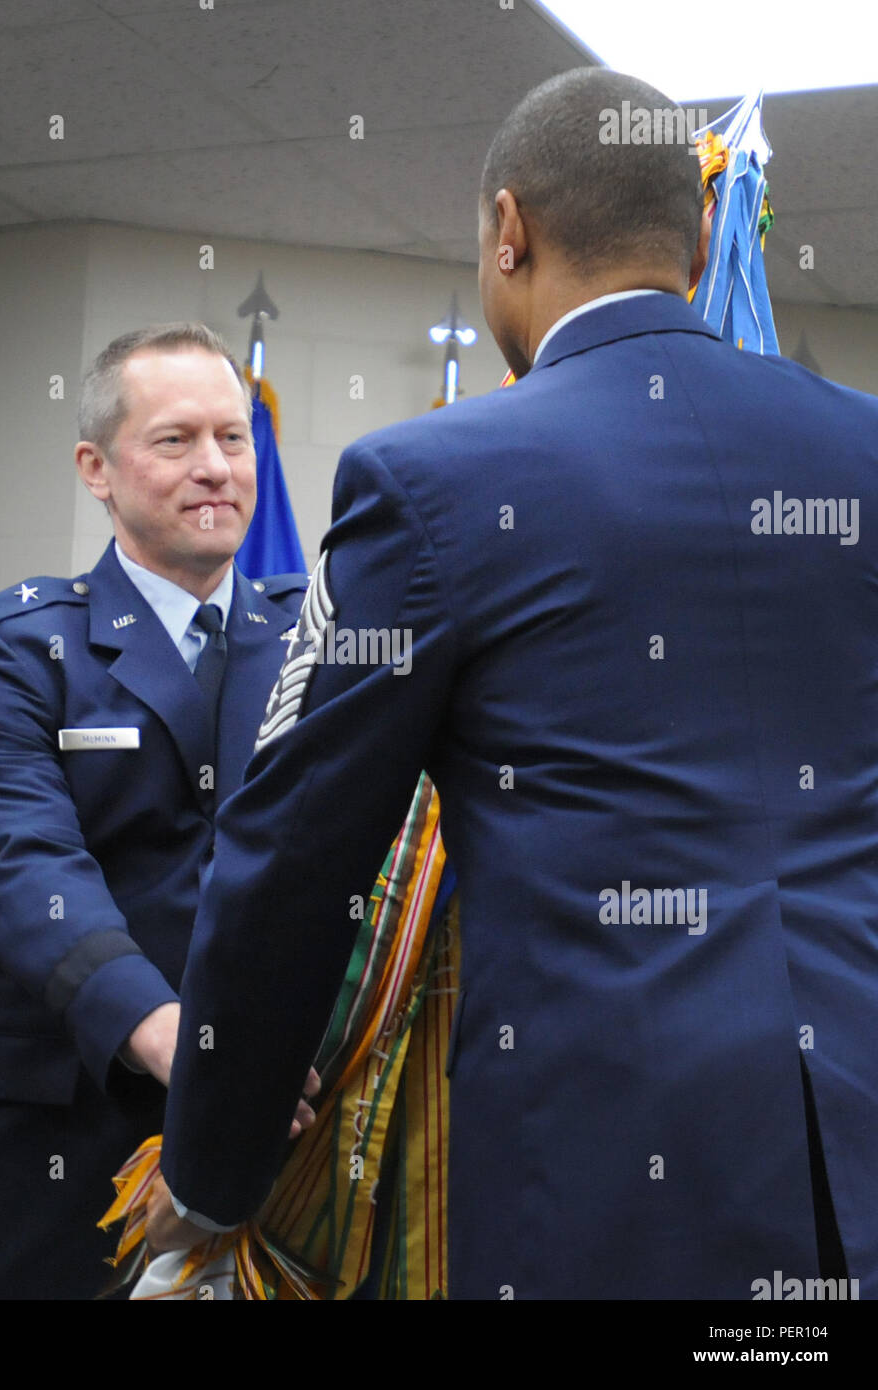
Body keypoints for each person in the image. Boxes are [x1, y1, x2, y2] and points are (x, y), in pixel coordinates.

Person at [156, 69, 878, 1299]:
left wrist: (216, 1169)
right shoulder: (858, 450)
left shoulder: (429, 480)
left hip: (606, 1168)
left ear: (508, 230)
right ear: (702, 241)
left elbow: (295, 852)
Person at [0, 323, 309, 1299]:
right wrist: (159, 1023)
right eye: (174, 441)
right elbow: (17, 859)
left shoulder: (318, 644)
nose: (214, 468)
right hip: (57, 1141)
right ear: (96, 466)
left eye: (233, 437)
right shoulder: (12, 643)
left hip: (284, 1136)